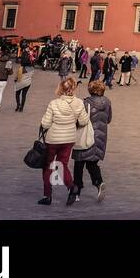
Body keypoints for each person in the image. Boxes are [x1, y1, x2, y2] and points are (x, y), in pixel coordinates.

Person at [38, 76, 88, 206]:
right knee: (62, 164)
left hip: (53, 139)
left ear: (61, 88)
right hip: (69, 139)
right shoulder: (79, 103)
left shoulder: (54, 103)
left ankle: (47, 195)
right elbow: (83, 121)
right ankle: (71, 187)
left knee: (48, 165)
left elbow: (45, 123)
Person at [73, 78, 112, 202]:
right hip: (100, 137)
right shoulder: (107, 102)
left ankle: (76, 190)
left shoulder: (85, 103)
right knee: (92, 163)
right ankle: (99, 182)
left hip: (85, 136)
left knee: (79, 164)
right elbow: (108, 119)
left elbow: (80, 120)